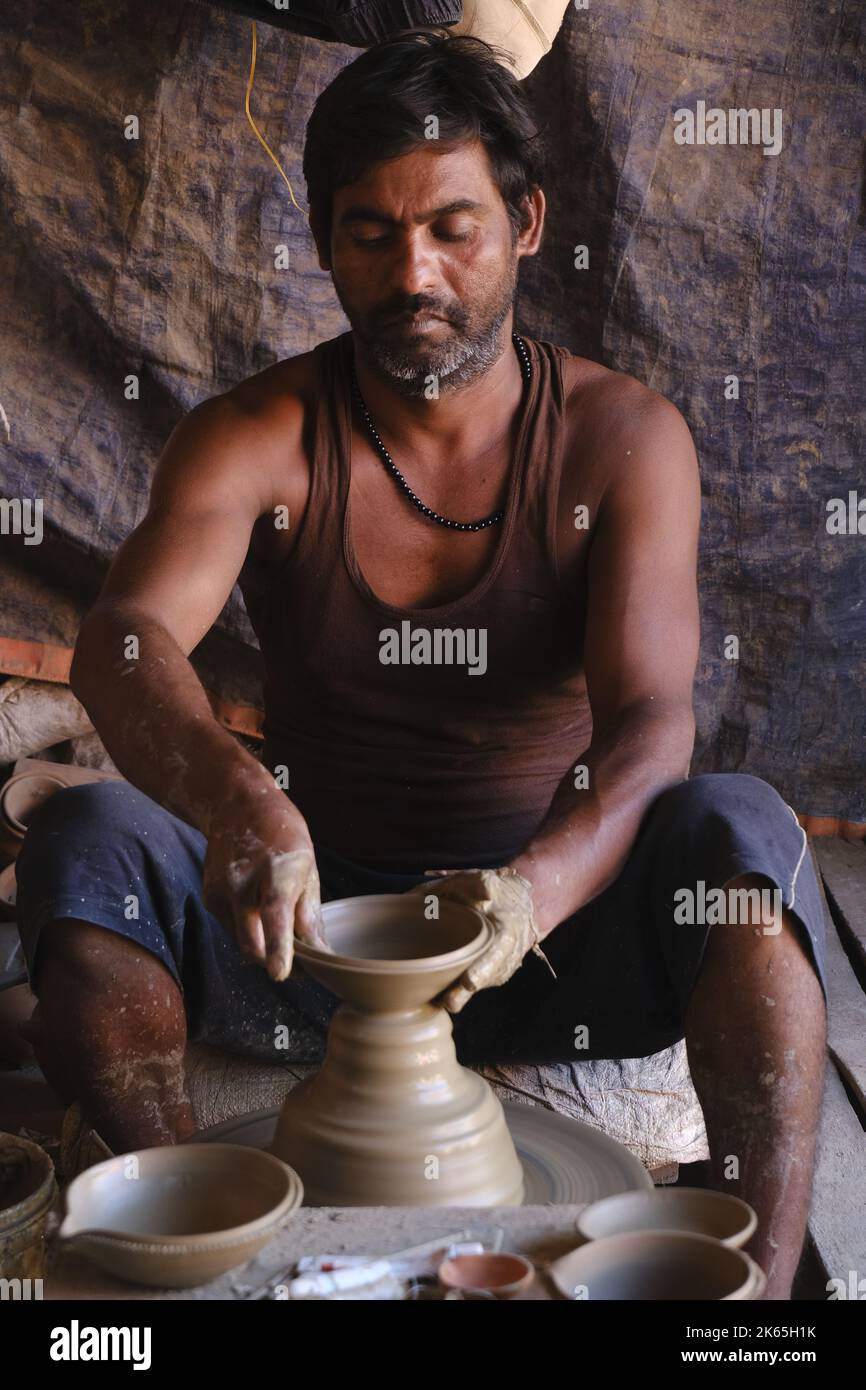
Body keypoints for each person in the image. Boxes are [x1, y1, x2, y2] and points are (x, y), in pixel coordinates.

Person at [15, 34, 826, 1298]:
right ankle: (195, 1231)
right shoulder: (256, 434)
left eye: (453, 227)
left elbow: (650, 728)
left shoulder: (621, 439)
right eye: (370, 234)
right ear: (325, 239)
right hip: (303, 936)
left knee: (742, 835)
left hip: (550, 938)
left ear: (525, 221)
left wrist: (525, 898)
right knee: (87, 845)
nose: (414, 273)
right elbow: (124, 643)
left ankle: (766, 1298)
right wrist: (239, 804)